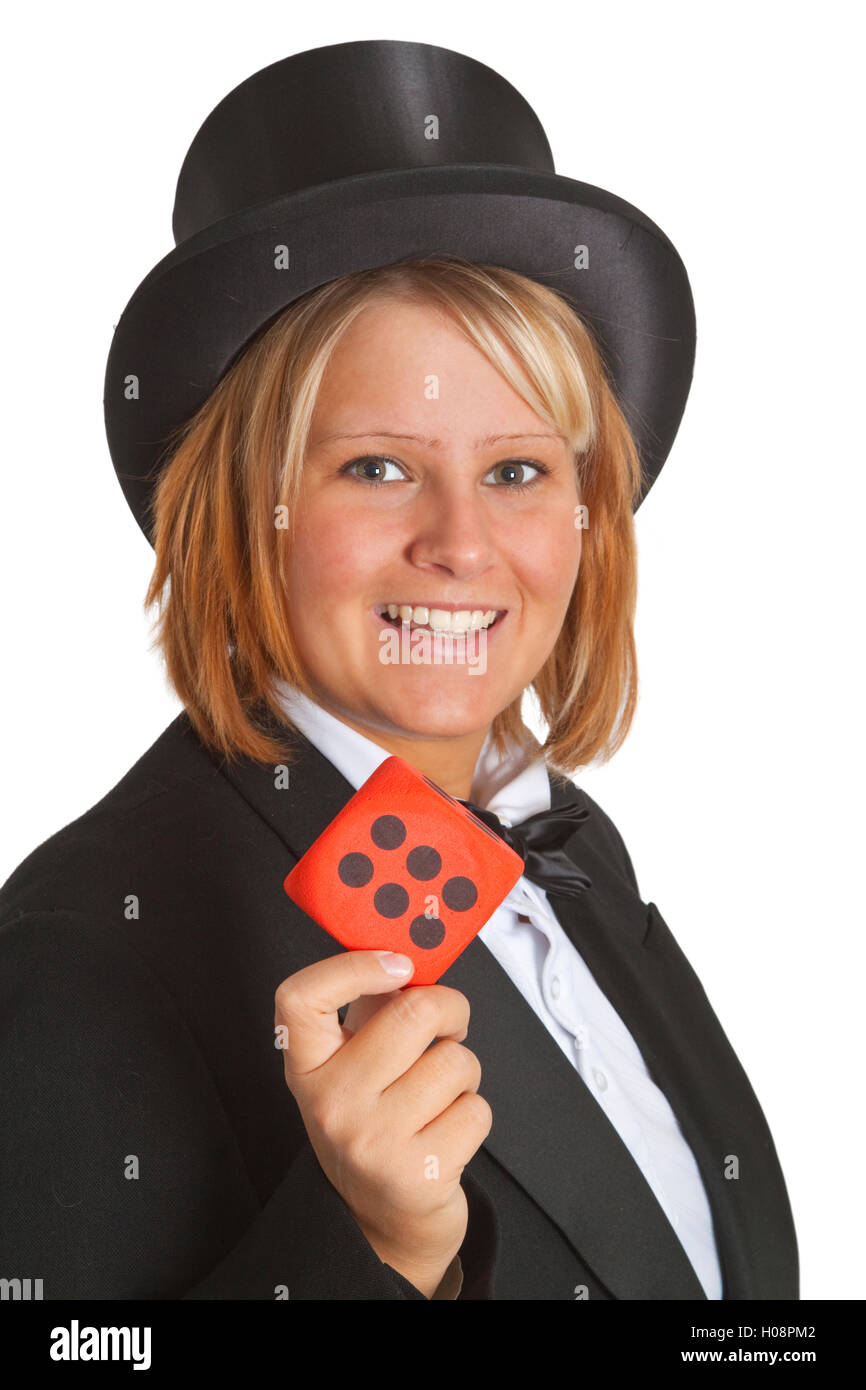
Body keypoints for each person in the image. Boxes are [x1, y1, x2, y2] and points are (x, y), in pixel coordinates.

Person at [0, 40, 798, 1300]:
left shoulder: (566, 852)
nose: (460, 544)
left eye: (517, 471)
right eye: (375, 466)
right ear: (240, 508)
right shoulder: (83, 950)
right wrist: (368, 1255)